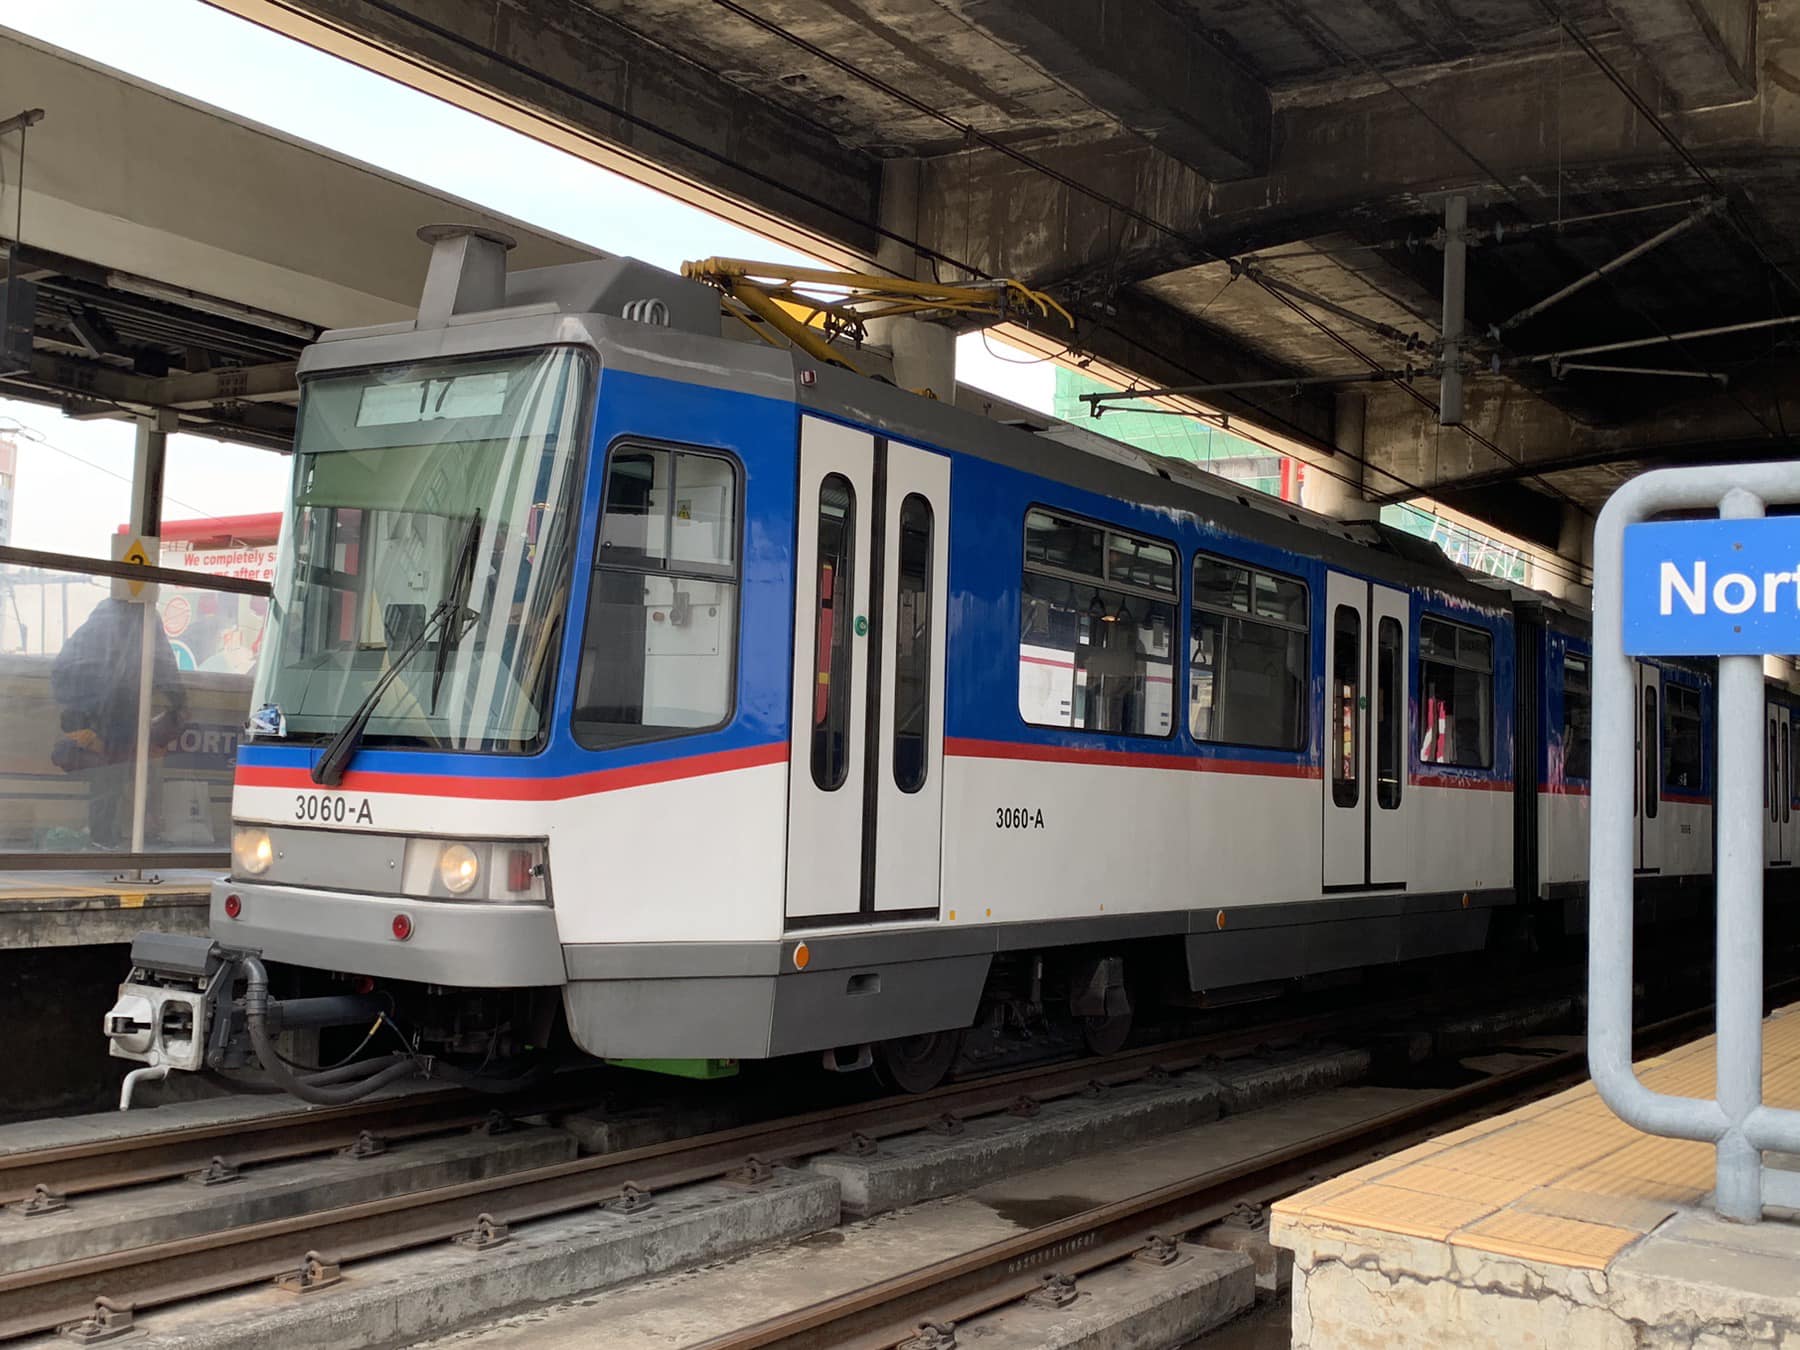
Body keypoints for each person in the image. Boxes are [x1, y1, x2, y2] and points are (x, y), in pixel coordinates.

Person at [50, 597, 187, 849]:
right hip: (120, 712)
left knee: (107, 776)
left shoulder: (102, 614)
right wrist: (178, 704)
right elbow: (164, 666)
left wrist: (77, 711)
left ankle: (103, 835)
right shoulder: (145, 617)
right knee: (117, 773)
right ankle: (109, 837)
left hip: (92, 714)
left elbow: (64, 665)